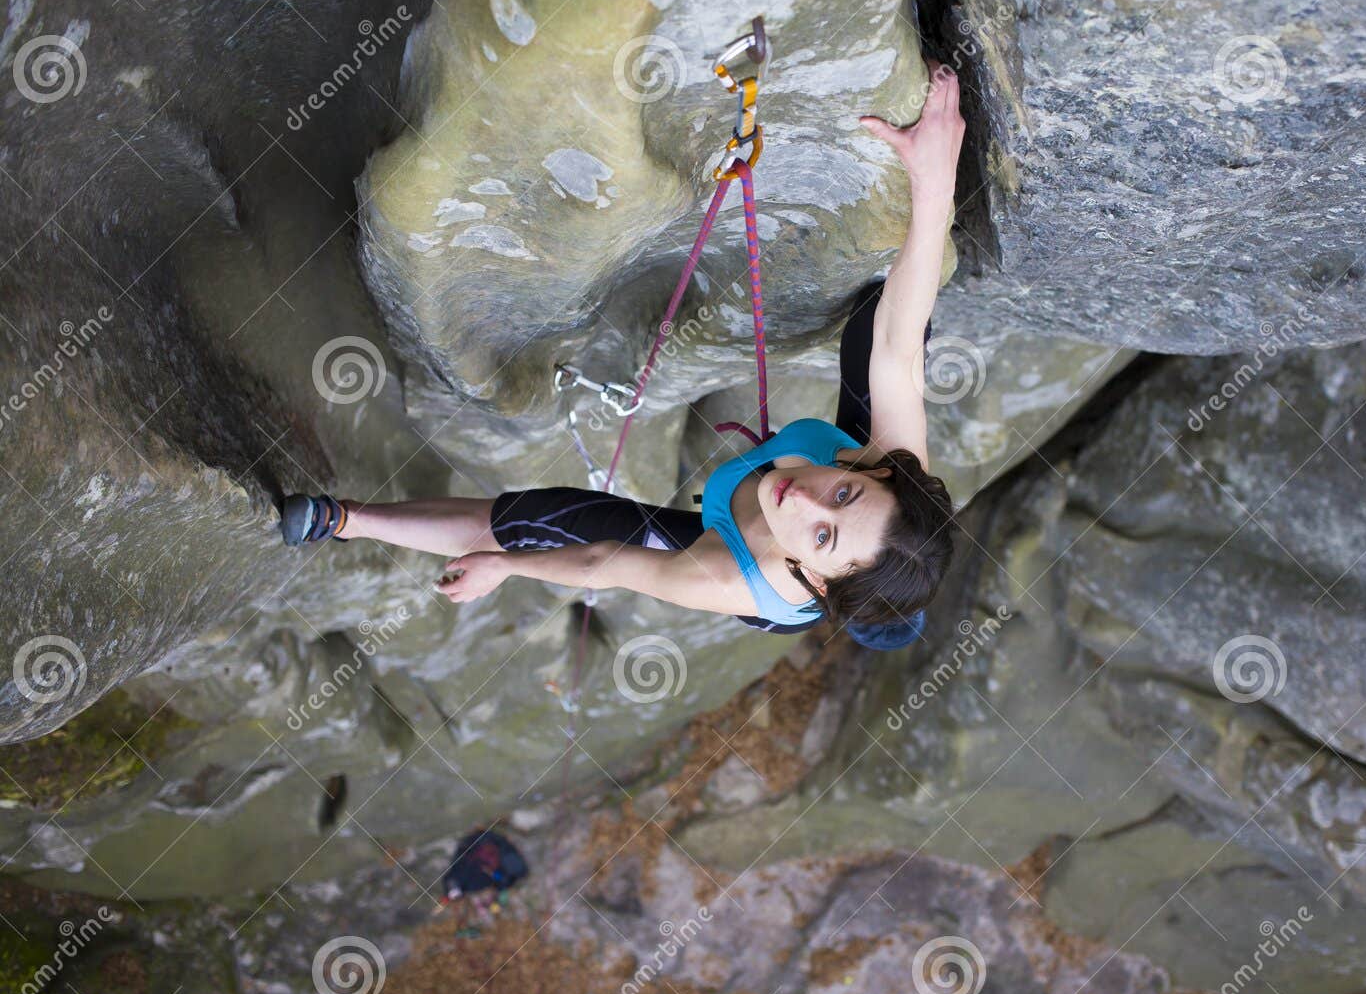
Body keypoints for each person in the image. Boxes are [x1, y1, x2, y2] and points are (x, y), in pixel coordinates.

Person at [281, 62, 965, 640]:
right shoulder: (889, 467)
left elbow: (602, 562)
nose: (808, 500)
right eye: (843, 491)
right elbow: (901, 346)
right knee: (882, 322)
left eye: (822, 536)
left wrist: (505, 565)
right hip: (859, 490)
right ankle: (886, 595)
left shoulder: (729, 579)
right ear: (873, 472)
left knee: (529, 521)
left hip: (721, 535)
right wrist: (934, 177)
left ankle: (345, 521)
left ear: (813, 577)